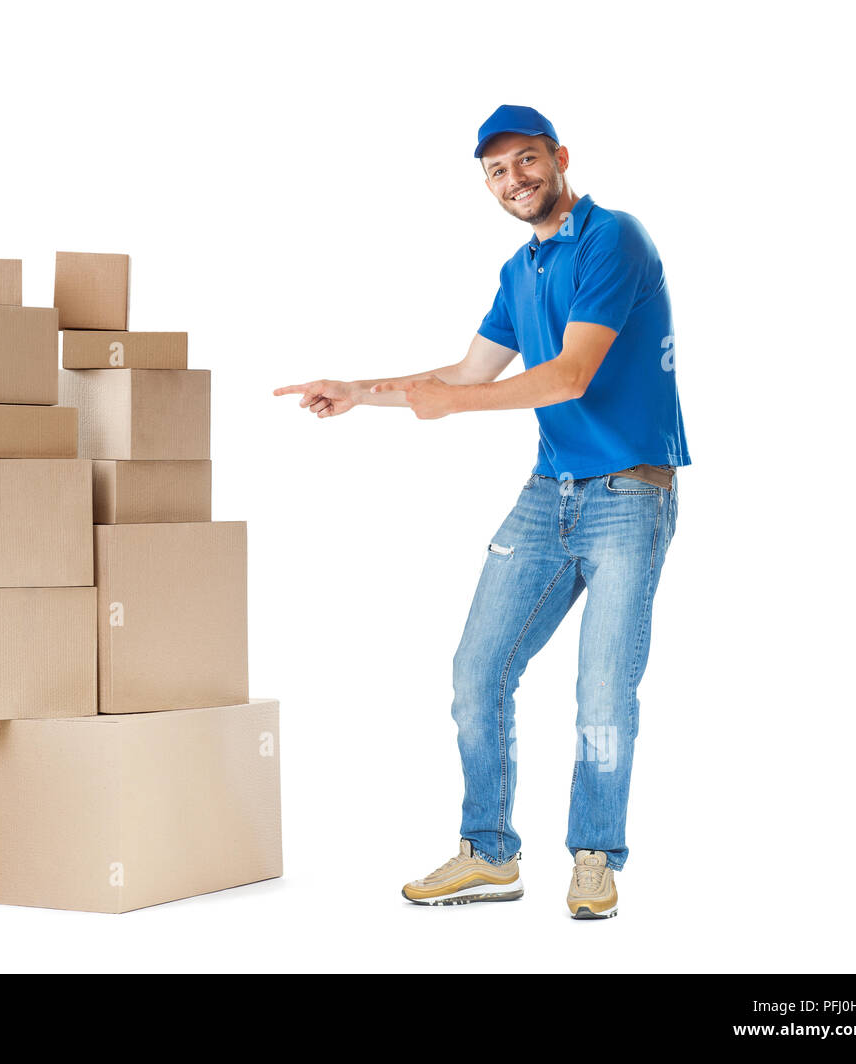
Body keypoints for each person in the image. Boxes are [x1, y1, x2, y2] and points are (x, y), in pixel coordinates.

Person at [272, 105, 689, 919]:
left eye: (527, 161)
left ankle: (595, 857)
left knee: (603, 689)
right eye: (497, 171)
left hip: (630, 495)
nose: (514, 180)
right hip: (550, 493)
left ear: (559, 157)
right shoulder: (518, 272)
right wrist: (360, 391)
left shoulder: (614, 238)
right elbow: (467, 371)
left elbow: (569, 376)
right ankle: (489, 854)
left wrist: (453, 408)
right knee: (477, 670)